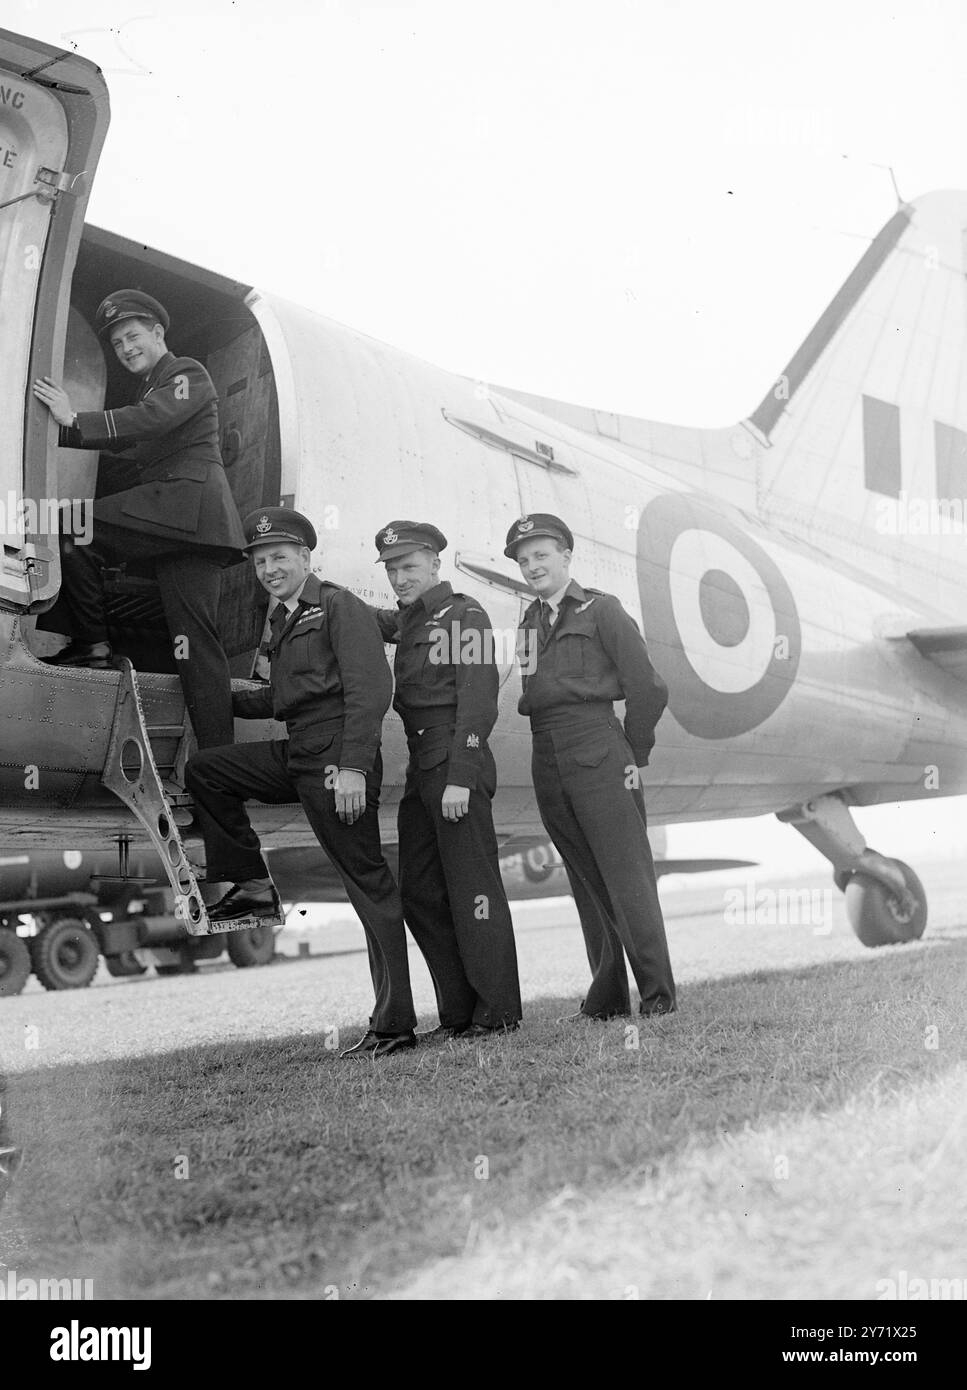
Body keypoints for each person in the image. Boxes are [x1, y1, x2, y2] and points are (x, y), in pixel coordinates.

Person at [185, 507, 419, 1059]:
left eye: (279, 558)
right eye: (260, 562)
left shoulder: (339, 606)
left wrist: (354, 767)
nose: (269, 569)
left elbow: (369, 690)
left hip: (337, 761)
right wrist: (214, 690)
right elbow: (282, 697)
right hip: (299, 751)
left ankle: (395, 1024)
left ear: (305, 557)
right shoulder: (285, 620)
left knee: (367, 884)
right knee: (208, 770)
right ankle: (251, 884)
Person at [31, 289, 245, 750]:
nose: (126, 348)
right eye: (117, 343)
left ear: (158, 332)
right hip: (184, 527)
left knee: (71, 525)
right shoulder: (150, 389)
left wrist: (76, 417)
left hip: (187, 507)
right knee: (195, 646)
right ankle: (217, 761)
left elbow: (149, 420)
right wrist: (50, 429)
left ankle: (93, 646)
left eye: (132, 336)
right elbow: (129, 443)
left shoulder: (186, 373)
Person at [504, 512, 676, 1019]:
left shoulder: (603, 610)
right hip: (547, 753)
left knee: (628, 877)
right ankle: (606, 999)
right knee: (582, 877)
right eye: (523, 560)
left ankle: (658, 996)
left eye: (541, 555)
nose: (532, 566)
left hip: (598, 747)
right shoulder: (528, 622)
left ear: (566, 556)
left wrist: (635, 754)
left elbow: (648, 687)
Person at [373, 521, 522, 1039]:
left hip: (455, 763)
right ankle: (457, 1011)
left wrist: (462, 776)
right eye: (392, 570)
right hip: (422, 766)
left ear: (436, 564)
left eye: (409, 567)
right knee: (418, 890)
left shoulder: (465, 614)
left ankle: (497, 1011)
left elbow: (480, 701)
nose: (400, 578)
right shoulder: (410, 620)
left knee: (473, 889)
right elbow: (368, 618)